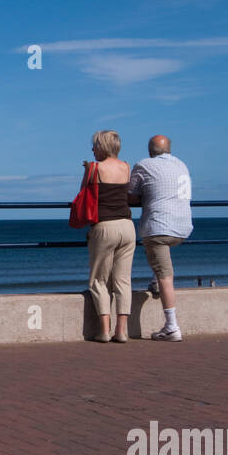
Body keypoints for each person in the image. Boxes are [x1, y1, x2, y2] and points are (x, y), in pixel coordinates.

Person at [128, 134, 193, 341]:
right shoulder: (181, 165)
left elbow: (131, 195)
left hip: (159, 227)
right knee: (161, 265)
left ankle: (172, 326)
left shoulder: (144, 165)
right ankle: (155, 280)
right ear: (169, 149)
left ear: (150, 150)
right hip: (182, 227)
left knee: (166, 275)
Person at [83, 130, 135, 343]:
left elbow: (83, 194)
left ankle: (105, 330)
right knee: (123, 280)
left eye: (94, 145)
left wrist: (87, 171)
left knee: (99, 280)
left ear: (102, 147)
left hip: (104, 226)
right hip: (127, 226)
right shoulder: (126, 167)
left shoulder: (95, 168)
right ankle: (121, 331)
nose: (93, 149)